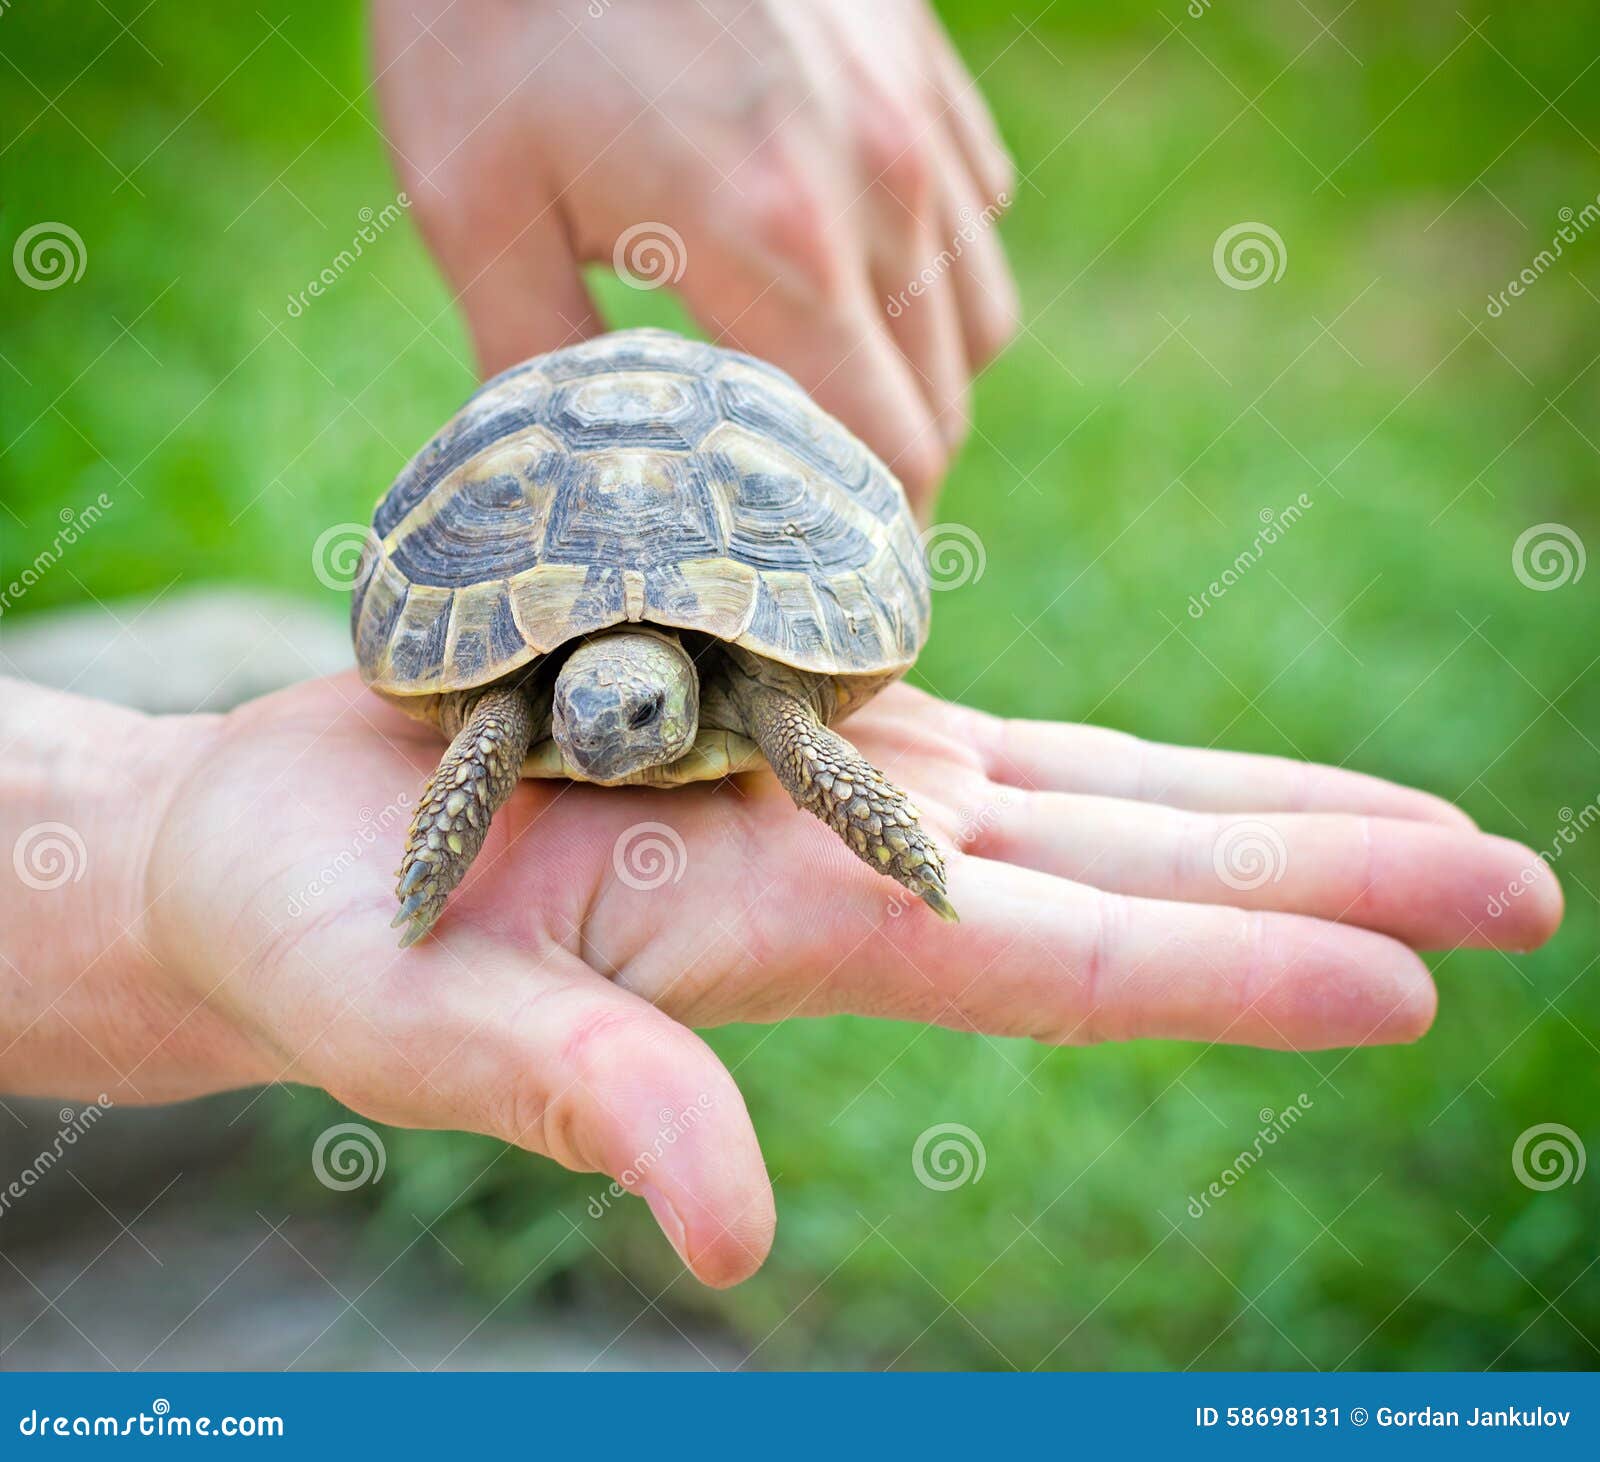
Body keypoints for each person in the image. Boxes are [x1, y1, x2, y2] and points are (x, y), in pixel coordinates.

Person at [0, 0, 1563, 1290]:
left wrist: (888, 832)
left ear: (689, 684)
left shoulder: (758, 701)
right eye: (595, 714)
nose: (607, 735)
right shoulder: (514, 710)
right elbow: (503, 728)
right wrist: (346, 874)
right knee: (431, 714)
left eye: (630, 712)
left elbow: (805, 741)